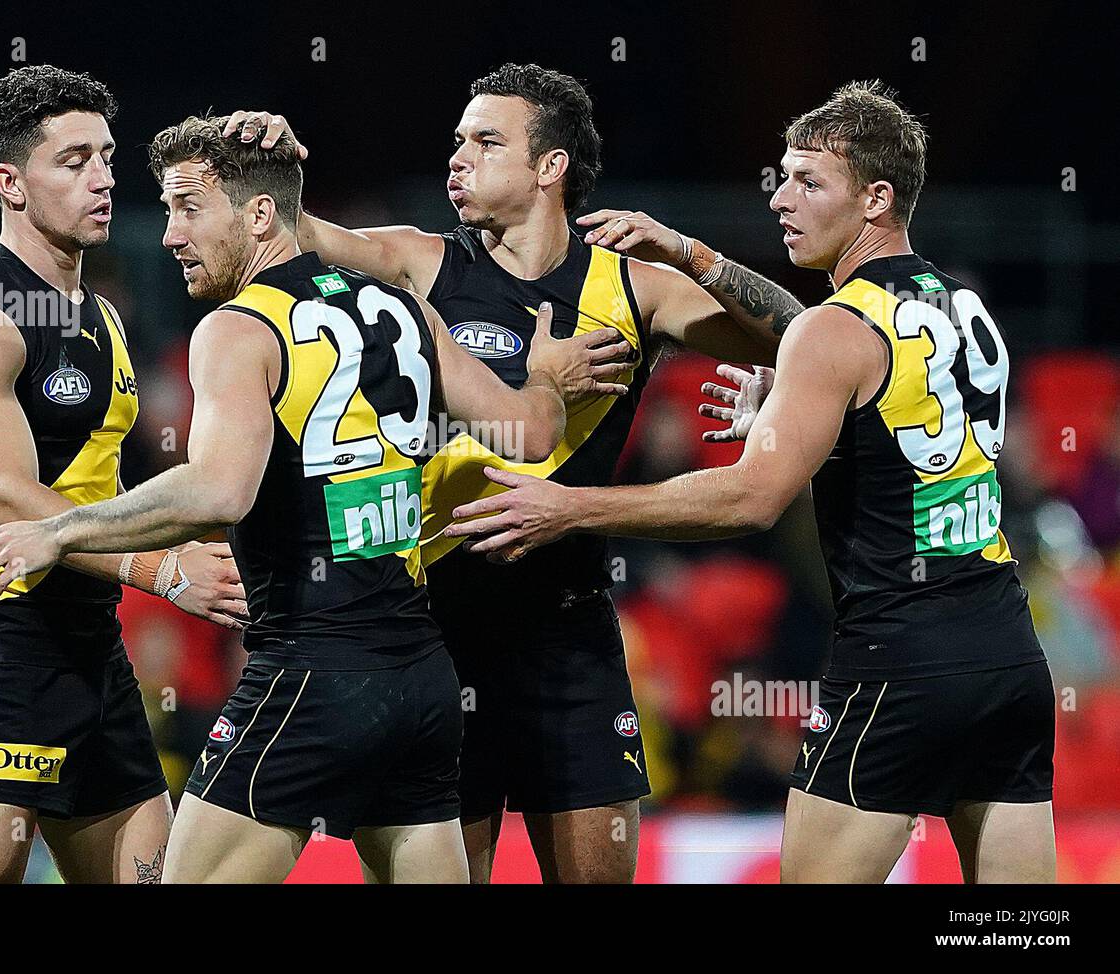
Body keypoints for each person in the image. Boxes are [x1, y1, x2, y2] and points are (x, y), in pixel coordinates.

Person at [0, 114, 632, 883]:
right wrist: (543, 374)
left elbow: (217, 491)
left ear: (260, 214)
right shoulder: (404, 308)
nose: (170, 234)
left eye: (188, 208)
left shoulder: (237, 329)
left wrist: (61, 532)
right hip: (423, 681)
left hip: (311, 671)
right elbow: (533, 434)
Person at [445, 81, 1056, 884]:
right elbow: (909, 440)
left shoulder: (835, 328)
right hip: (1006, 651)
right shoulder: (963, 305)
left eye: (809, 182)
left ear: (876, 198)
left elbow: (751, 499)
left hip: (899, 655)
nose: (781, 200)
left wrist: (570, 507)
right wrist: (808, 418)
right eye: (782, 177)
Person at [223, 61, 802, 882]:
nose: (458, 158)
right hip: (436, 634)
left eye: (487, 141)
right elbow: (292, 233)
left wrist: (694, 253)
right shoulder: (421, 265)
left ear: (550, 166)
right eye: (457, 141)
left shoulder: (636, 288)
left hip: (569, 636)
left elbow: (814, 341)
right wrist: (272, 165)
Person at [0, 66, 247, 884]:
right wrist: (160, 570)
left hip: (94, 649)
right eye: (72, 161)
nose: (103, 178)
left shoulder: (99, 317)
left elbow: (117, 491)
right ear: (10, 183)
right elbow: (10, 503)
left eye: (105, 155)